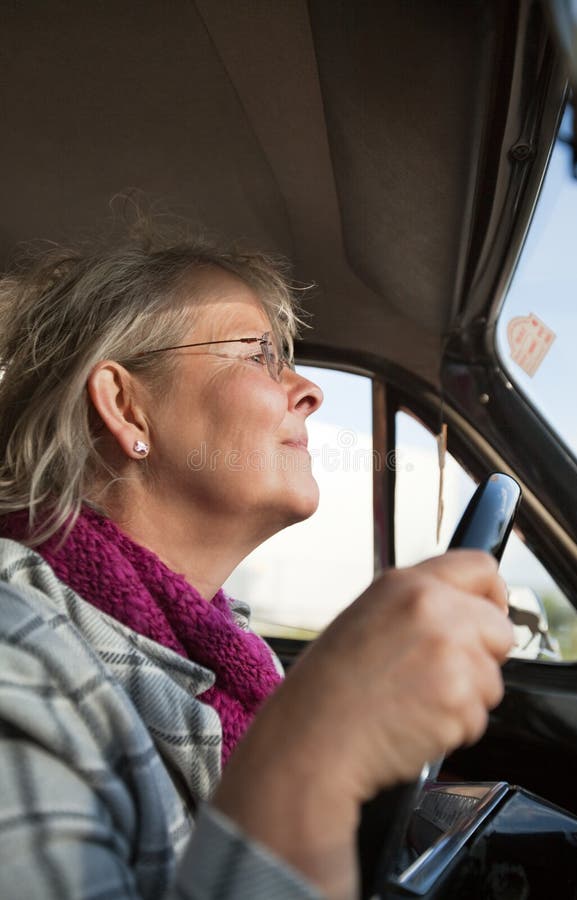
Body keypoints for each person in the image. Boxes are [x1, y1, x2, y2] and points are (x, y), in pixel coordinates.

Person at [0, 228, 513, 900]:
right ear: (127, 407)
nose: (309, 391)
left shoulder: (234, 653)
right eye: (259, 355)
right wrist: (309, 757)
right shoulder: (18, 652)